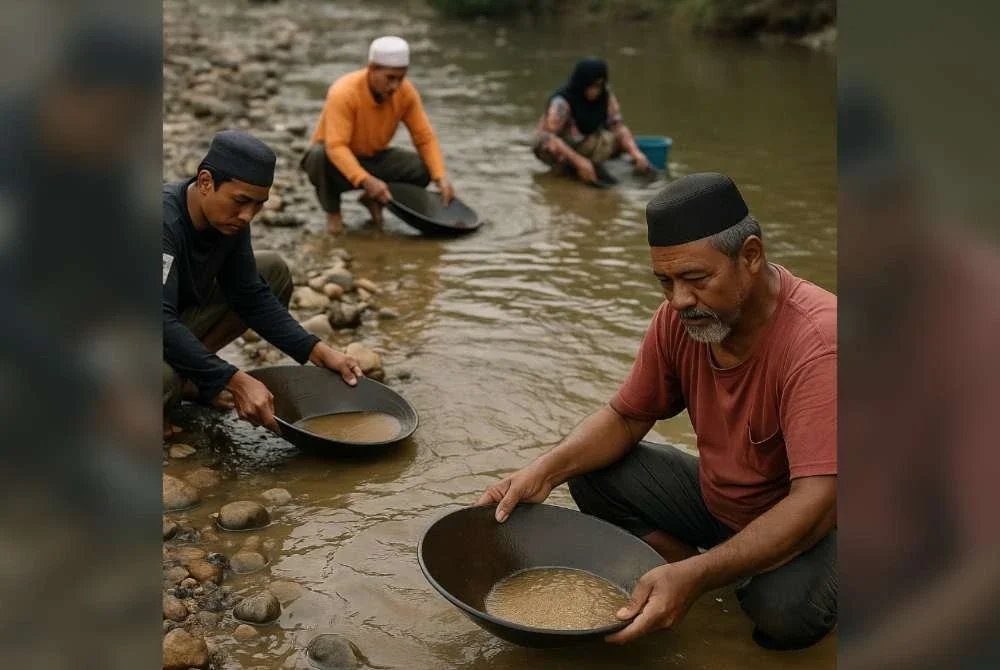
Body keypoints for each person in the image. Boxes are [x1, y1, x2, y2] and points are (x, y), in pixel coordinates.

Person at [478, 173, 837, 650]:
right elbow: (626, 418)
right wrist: (542, 471)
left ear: (750, 256)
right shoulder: (678, 321)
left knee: (784, 613)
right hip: (728, 506)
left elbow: (815, 504)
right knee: (590, 473)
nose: (679, 301)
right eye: (665, 282)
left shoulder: (818, 343)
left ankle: (714, 578)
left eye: (695, 279)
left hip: (823, 525)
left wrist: (698, 575)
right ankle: (698, 576)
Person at [163, 129, 364, 435]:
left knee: (271, 270)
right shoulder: (161, 223)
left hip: (168, 320)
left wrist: (319, 351)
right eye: (241, 201)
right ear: (205, 182)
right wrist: (234, 379)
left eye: (258, 205)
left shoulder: (230, 222)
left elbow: (249, 296)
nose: (248, 216)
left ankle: (190, 378)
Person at [301, 35, 455, 235]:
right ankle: (333, 214)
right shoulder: (344, 92)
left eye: (401, 78)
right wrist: (366, 180)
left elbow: (424, 137)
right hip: (335, 163)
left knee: (422, 167)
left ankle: (372, 200)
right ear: (372, 68)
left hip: (375, 157)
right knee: (317, 156)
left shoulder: (406, 93)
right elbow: (336, 146)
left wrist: (440, 176)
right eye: (390, 78)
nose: (395, 86)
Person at [532, 57, 650, 185]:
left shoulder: (605, 96)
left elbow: (618, 126)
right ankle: (568, 169)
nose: (595, 91)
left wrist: (636, 153)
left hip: (585, 140)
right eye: (591, 86)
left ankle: (584, 166)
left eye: (599, 86)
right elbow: (550, 137)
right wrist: (580, 162)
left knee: (621, 142)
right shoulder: (562, 103)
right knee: (551, 148)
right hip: (556, 145)